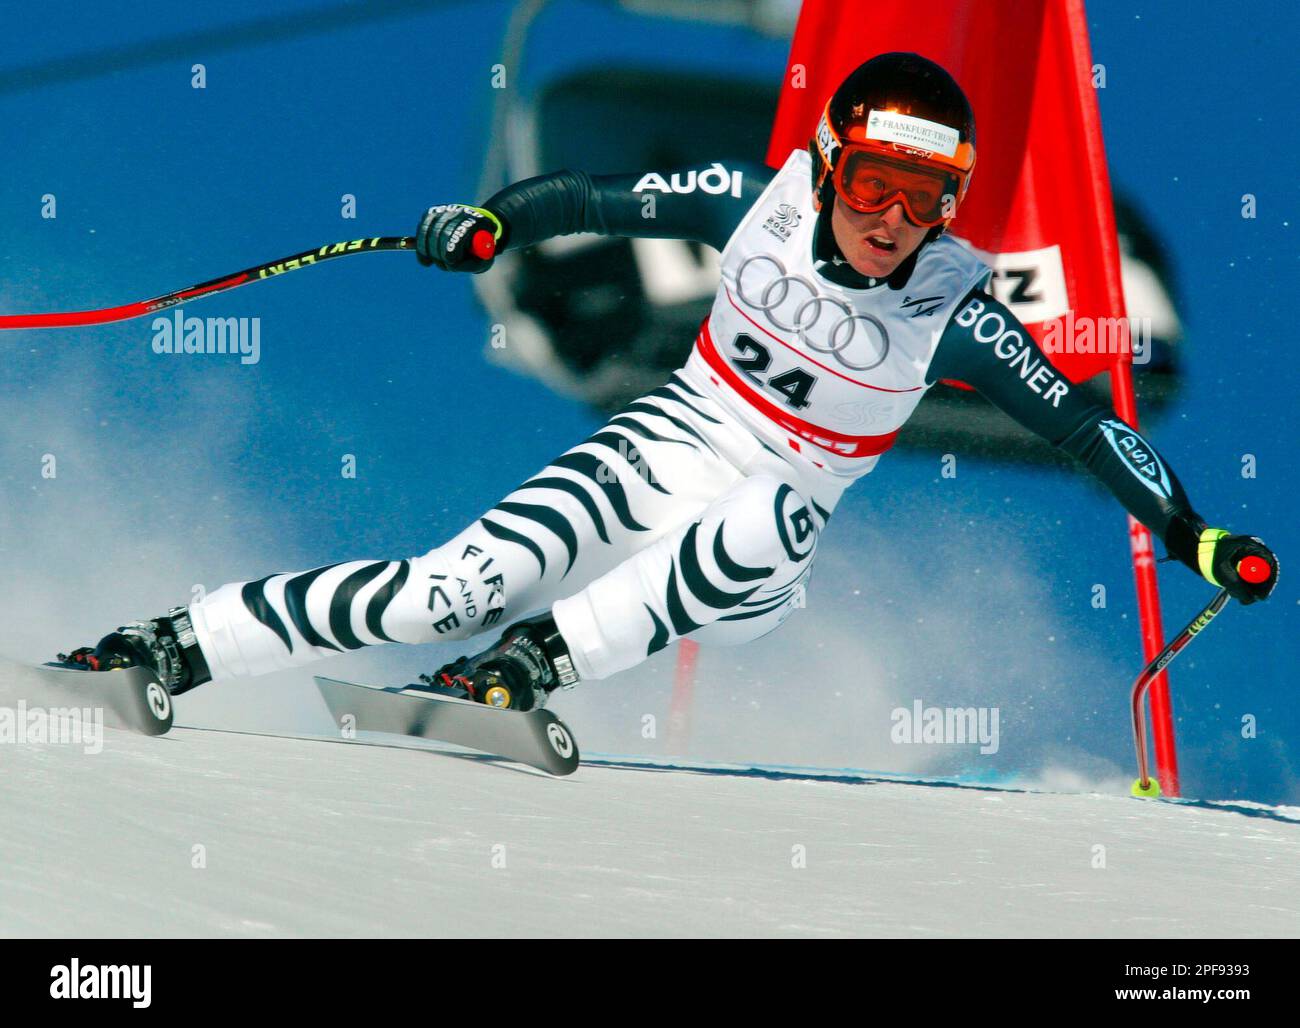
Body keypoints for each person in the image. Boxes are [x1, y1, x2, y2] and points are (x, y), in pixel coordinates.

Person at [62, 52, 1277, 712]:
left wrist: (1193, 531)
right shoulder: (751, 198)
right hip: (661, 444)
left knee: (779, 510)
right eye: (869, 185)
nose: (890, 222)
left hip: (759, 535)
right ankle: (174, 642)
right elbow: (589, 198)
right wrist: (490, 224)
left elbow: (1077, 422)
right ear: (827, 163)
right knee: (451, 586)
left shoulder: (950, 302)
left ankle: (539, 662)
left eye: (924, 200)